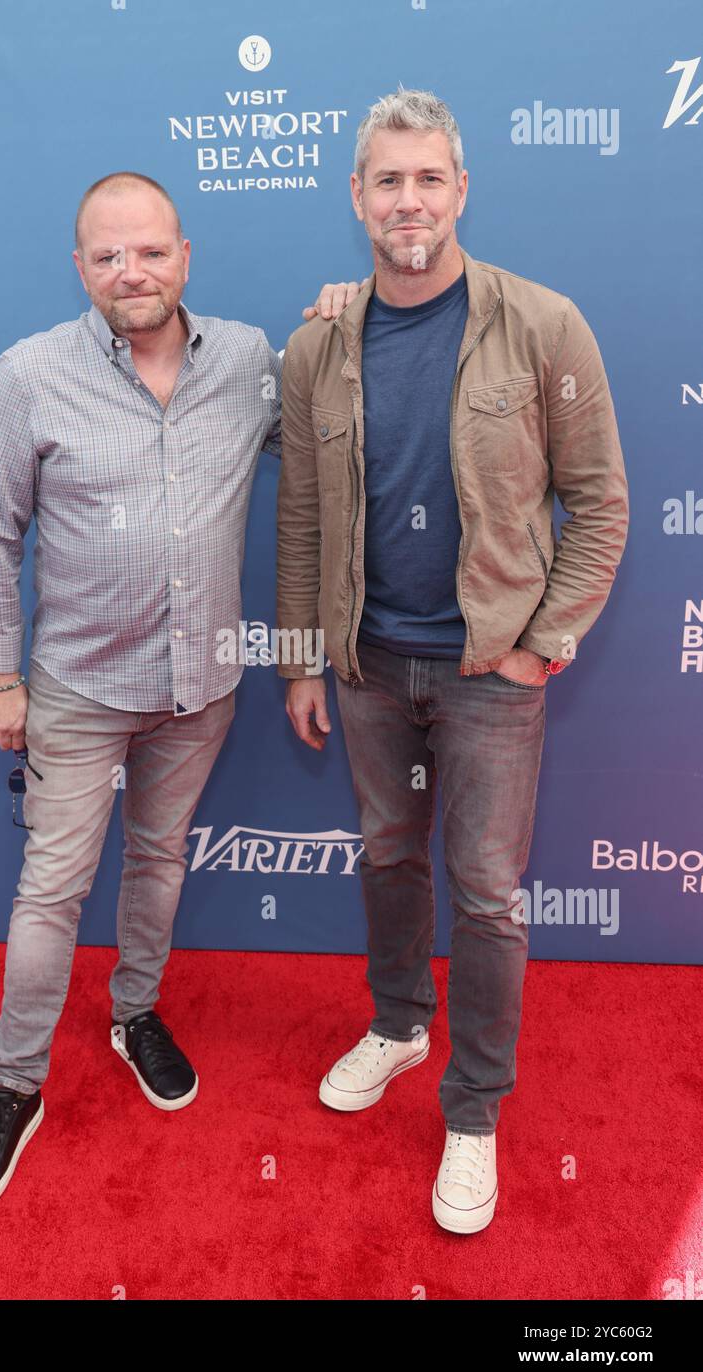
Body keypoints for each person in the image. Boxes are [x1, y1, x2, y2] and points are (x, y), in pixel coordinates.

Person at [0, 171, 359, 1211]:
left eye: (150, 251)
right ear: (78, 266)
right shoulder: (30, 374)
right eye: (107, 254)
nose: (131, 271)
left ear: (185, 255)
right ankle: (15, 1083)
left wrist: (335, 335)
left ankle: (133, 1013)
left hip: (202, 686)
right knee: (50, 891)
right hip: (75, 689)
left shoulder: (248, 363)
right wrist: (0, 673)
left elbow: (312, 446)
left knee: (161, 860)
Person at [276, 89, 629, 1234]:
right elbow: (299, 519)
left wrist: (542, 645)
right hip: (369, 666)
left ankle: (471, 1110)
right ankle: (396, 1021)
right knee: (386, 854)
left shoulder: (541, 324)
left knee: (482, 893)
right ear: (356, 198)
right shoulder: (318, 340)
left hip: (490, 675)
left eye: (428, 178)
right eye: (388, 180)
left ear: (460, 189)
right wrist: (299, 660)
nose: (408, 199)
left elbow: (601, 506)